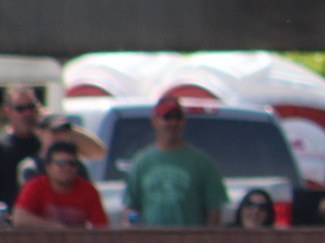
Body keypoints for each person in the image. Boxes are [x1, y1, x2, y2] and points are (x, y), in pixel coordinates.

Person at [123, 96, 229, 227]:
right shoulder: (142, 162)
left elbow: (214, 211)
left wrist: (207, 242)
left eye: (177, 117)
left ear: (184, 121)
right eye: (167, 117)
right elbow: (131, 207)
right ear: (155, 120)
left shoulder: (202, 162)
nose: (173, 123)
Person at [0, 85, 44, 228]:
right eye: (20, 109)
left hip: (41, 226)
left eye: (31, 107)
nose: (27, 113)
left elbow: (97, 152)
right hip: (7, 226)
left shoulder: (44, 144)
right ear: (8, 111)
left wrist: (55, 123)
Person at [12, 141, 109, 229]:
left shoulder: (88, 190)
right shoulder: (35, 186)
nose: (67, 168)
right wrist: (55, 226)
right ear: (48, 167)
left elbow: (101, 226)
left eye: (71, 163)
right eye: (61, 164)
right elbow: (19, 218)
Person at [17, 112, 105, 185]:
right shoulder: (31, 168)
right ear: (40, 133)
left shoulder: (77, 167)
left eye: (64, 132)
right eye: (55, 132)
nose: (60, 136)